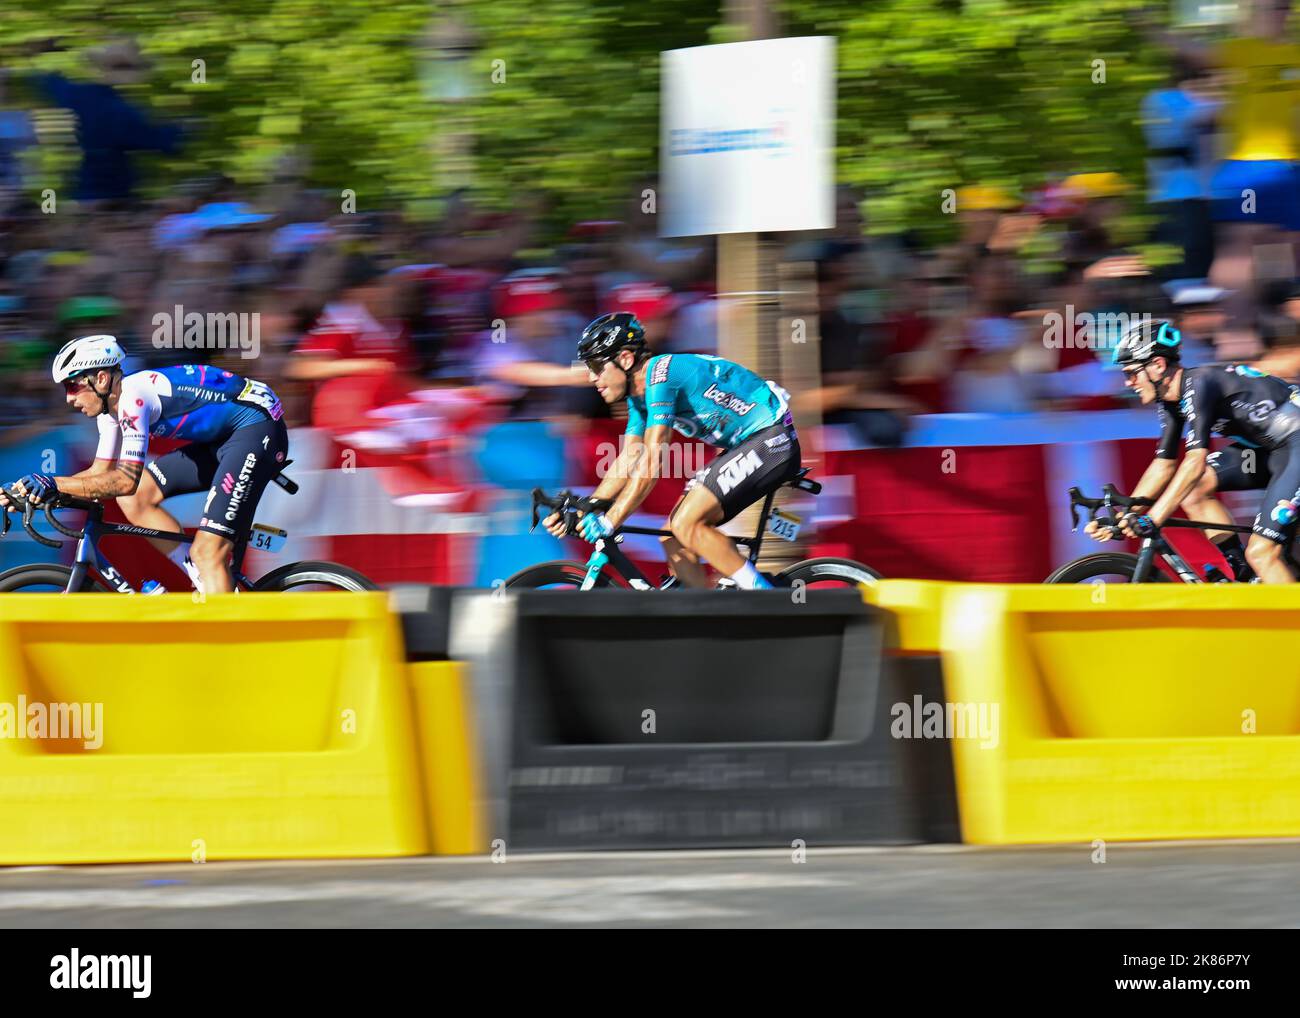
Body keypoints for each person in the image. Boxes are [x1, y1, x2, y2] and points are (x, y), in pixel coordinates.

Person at [0, 335, 288, 594]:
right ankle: (200, 573)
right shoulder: (108, 412)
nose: (68, 398)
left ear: (101, 379)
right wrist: (37, 494)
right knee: (136, 499)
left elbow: (125, 479)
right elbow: (99, 475)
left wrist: (53, 482)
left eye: (73, 385)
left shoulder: (132, 399)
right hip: (227, 437)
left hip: (256, 429)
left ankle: (228, 644)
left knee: (208, 553)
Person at [542, 312, 800, 590]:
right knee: (672, 535)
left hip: (771, 439)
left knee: (686, 522)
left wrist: (611, 520)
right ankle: (702, 617)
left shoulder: (661, 379)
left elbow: (651, 462)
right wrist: (590, 504)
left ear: (626, 359)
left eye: (596, 366)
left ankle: (763, 598)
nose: (592, 377)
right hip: (749, 443)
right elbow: (629, 458)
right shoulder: (638, 398)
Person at [1088, 319, 1300, 584]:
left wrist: (1153, 518)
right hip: (1275, 448)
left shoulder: (1199, 384)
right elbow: (1163, 466)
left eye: (1131, 372)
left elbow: (1194, 463)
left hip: (1292, 443)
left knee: (1263, 552)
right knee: (1196, 489)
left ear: (1158, 365)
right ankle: (1242, 571)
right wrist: (1127, 516)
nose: (1128, 382)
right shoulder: (1171, 403)